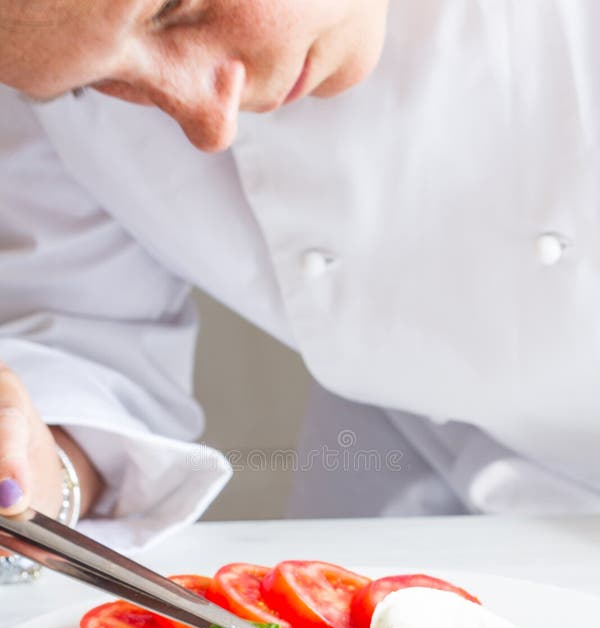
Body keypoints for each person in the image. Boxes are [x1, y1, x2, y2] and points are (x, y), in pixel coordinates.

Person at [1, 0, 600, 566]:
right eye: (90, 86)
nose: (210, 123)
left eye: (177, 7)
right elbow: (82, 346)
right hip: (396, 465)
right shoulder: (32, 47)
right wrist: (30, 464)